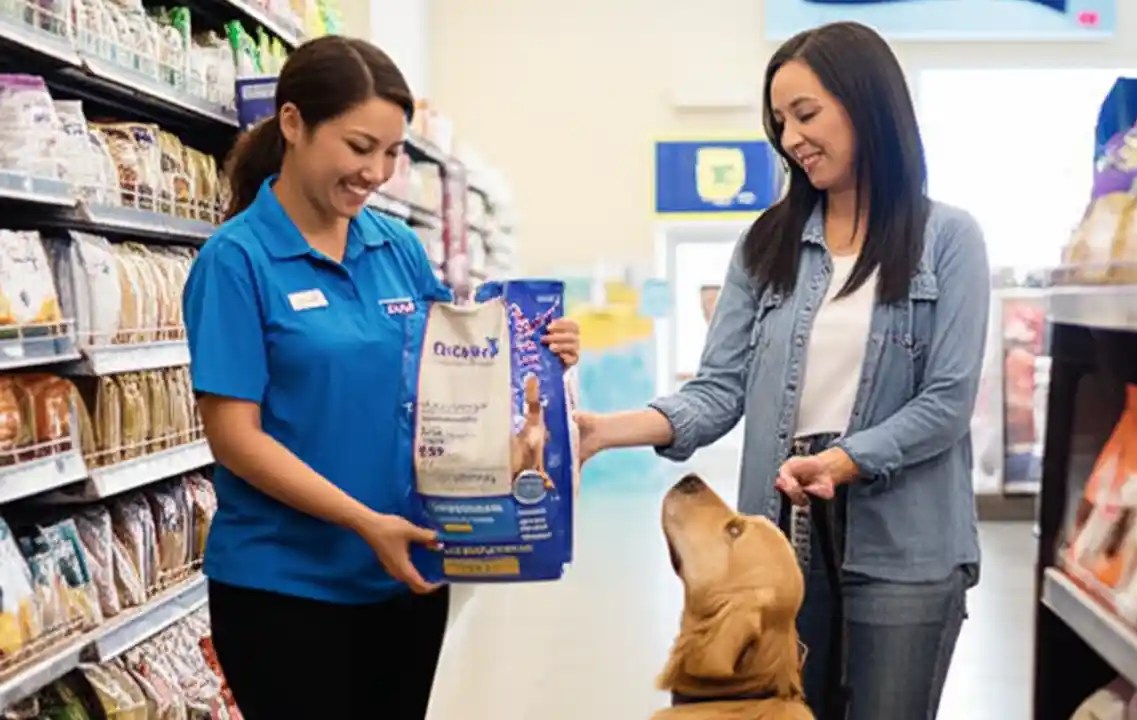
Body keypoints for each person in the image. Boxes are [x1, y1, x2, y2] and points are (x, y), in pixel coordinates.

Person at [575, 21, 988, 720]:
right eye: (779, 121)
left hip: (905, 544)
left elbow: (947, 400)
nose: (791, 137)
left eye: (806, 113)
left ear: (868, 103)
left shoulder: (947, 239)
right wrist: (603, 430)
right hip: (782, 534)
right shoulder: (766, 245)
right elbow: (719, 389)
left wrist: (845, 461)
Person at [182, 36, 580, 720]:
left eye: (393, 153)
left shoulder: (393, 245)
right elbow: (234, 438)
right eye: (360, 146)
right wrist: (366, 523)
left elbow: (448, 378)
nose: (378, 172)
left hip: (406, 577)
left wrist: (534, 355)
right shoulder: (236, 261)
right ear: (293, 124)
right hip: (285, 588)